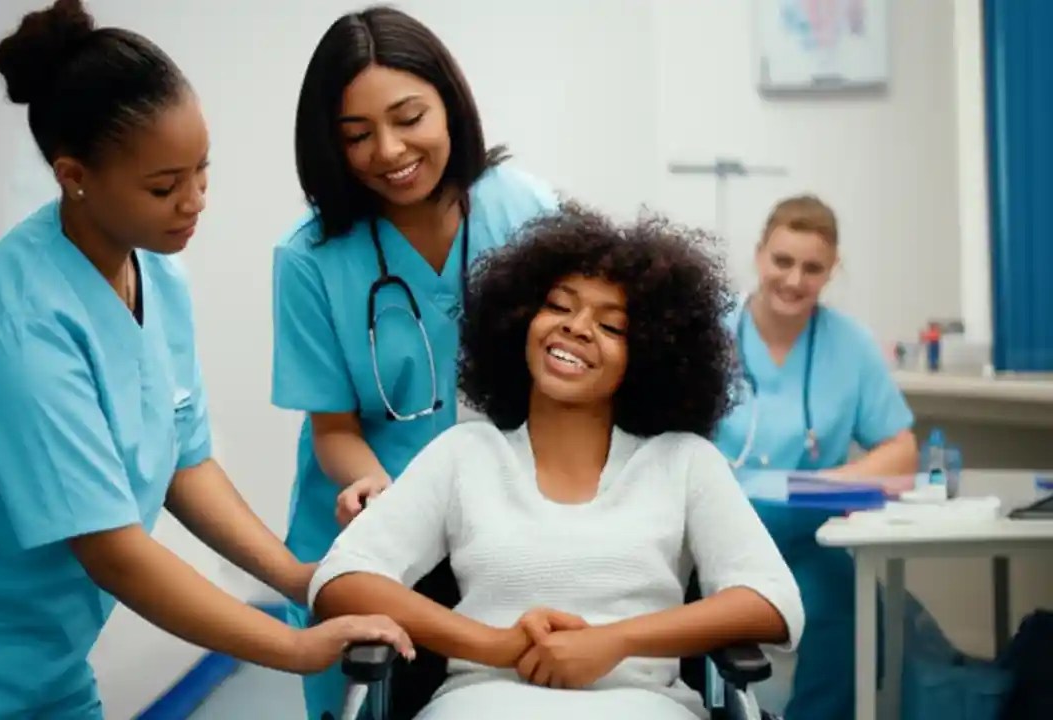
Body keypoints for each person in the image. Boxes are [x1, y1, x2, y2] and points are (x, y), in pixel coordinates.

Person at [0, 2, 412, 718]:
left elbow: (186, 461)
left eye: (201, 172)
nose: (195, 202)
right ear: (73, 175)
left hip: (41, 645)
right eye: (163, 186)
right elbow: (112, 550)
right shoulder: (20, 320)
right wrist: (290, 647)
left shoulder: (155, 275)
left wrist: (298, 580)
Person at [312, 206, 805, 719]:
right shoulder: (466, 454)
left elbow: (773, 602)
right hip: (480, 703)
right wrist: (493, 644)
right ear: (522, 319)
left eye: (612, 326)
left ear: (651, 354)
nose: (577, 328)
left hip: (642, 705)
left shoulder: (684, 463)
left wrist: (612, 643)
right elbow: (340, 580)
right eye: (558, 306)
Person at [271, 6, 559, 717]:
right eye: (357, 135)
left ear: (450, 108)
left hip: (502, 528)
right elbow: (332, 428)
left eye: (409, 117)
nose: (390, 150)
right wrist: (377, 490)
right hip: (378, 537)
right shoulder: (309, 257)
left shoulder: (522, 209)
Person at [712, 194, 917, 719]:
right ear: (759, 255)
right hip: (714, 540)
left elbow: (900, 451)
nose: (794, 280)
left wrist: (820, 484)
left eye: (812, 268)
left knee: (850, 610)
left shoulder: (849, 346)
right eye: (783, 261)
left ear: (831, 272)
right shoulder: (710, 332)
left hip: (804, 539)